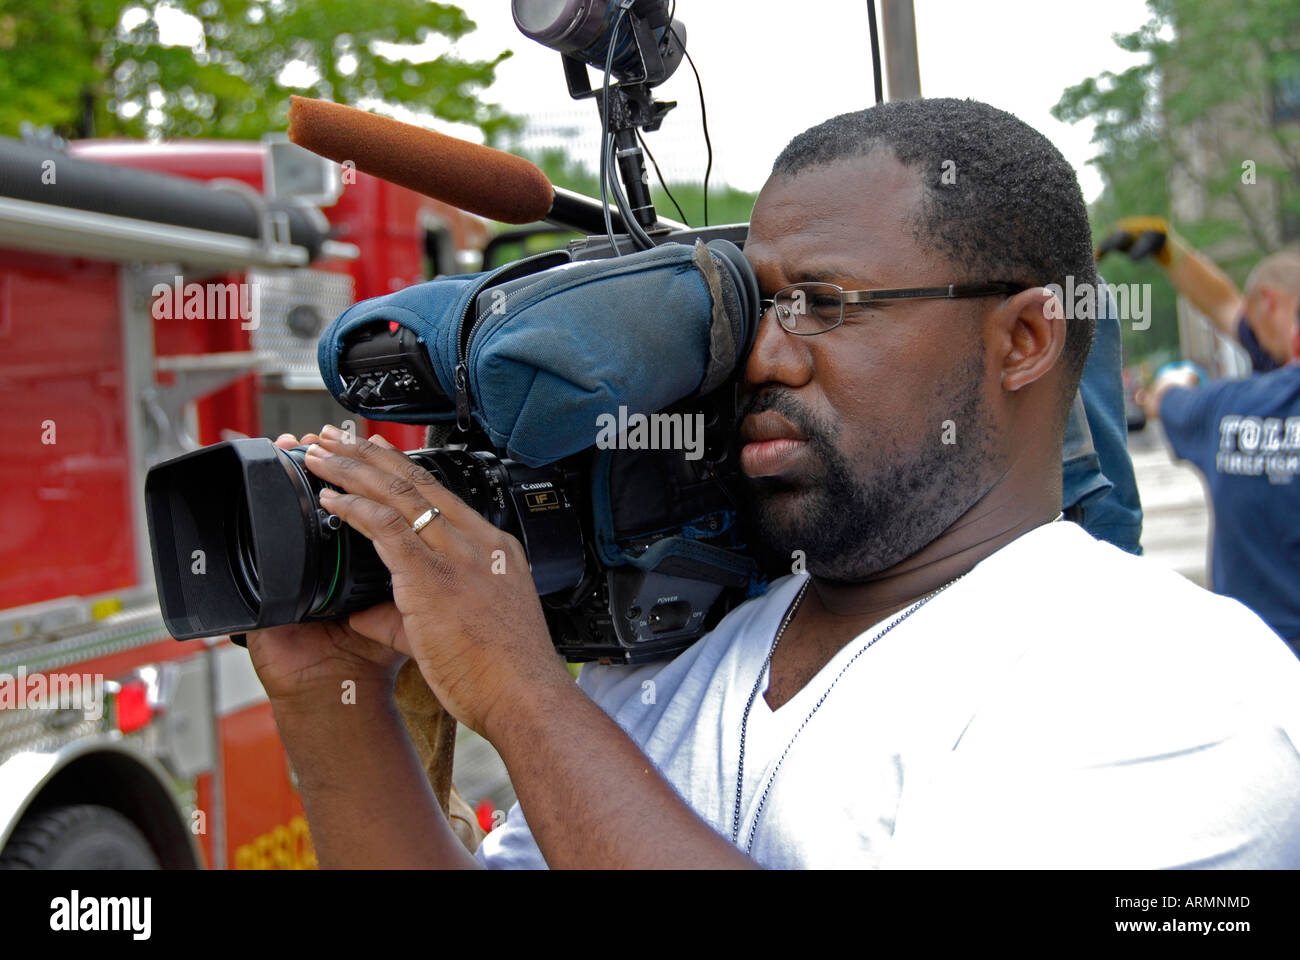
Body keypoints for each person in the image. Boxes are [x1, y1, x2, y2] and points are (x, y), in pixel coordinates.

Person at [247, 99, 1300, 869]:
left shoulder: (1174, 684)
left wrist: (521, 698)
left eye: (825, 304)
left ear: (1021, 336)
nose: (762, 355)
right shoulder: (684, 650)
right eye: (753, 305)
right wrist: (325, 695)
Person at [1144, 304, 1300, 654]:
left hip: (1248, 657)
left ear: (1296, 341)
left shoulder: (1227, 405)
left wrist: (1176, 378)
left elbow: (1163, 399)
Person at [1098, 217, 1300, 373]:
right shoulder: (1274, 353)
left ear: (1268, 302)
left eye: (1253, 323)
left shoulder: (1274, 350)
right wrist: (1166, 248)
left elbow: (1225, 305)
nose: (1258, 341)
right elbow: (1222, 304)